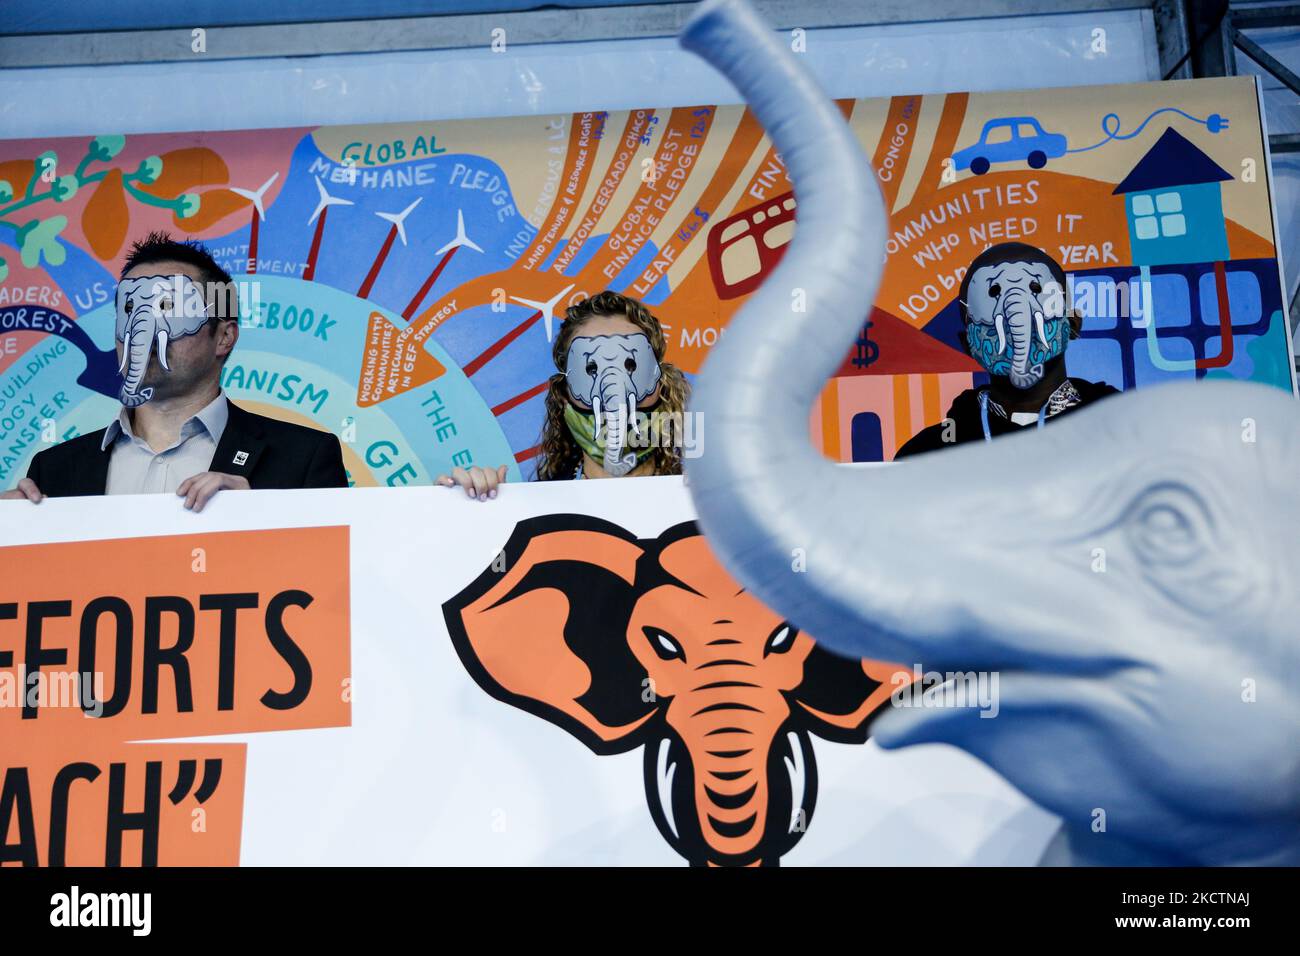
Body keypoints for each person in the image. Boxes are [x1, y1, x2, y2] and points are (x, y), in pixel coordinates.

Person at [1, 232, 347, 511]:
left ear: (224, 337)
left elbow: (339, 579)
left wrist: (261, 517)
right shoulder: (54, 470)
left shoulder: (304, 457)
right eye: (132, 308)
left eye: (168, 307)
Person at [437, 290, 690, 497]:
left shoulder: (700, 501)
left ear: (660, 385)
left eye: (633, 366)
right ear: (566, 394)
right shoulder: (537, 510)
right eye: (590, 369)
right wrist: (467, 513)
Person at [896, 242, 1117, 458]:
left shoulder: (1127, 434)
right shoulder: (924, 457)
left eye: (1035, 289)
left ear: (1073, 325)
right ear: (968, 344)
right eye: (993, 294)